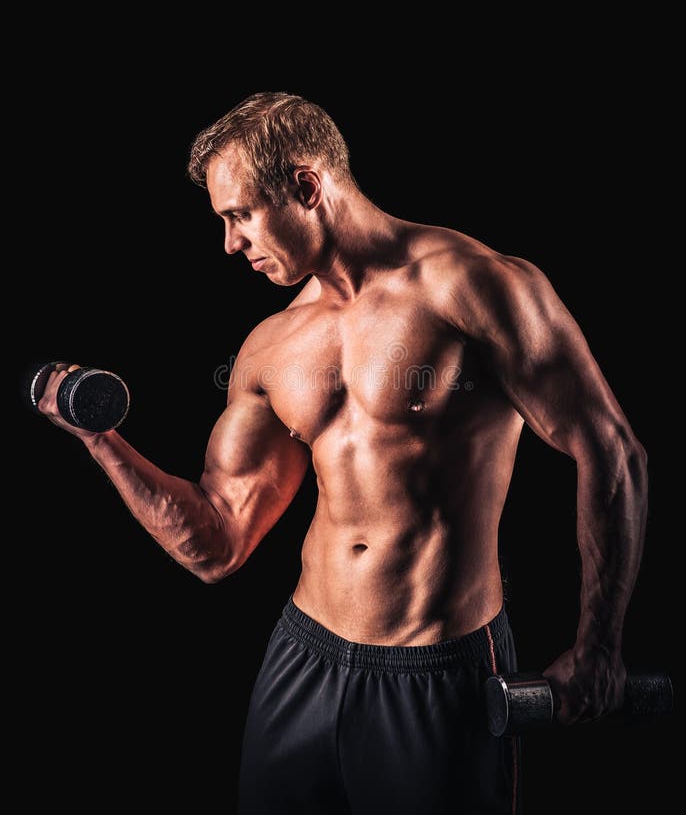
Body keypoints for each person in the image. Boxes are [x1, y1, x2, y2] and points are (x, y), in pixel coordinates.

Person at [36, 92, 648, 814]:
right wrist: (100, 442)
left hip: (437, 671)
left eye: (240, 215)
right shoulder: (270, 348)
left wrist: (600, 644)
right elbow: (217, 542)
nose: (231, 244)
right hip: (301, 662)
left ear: (305, 186)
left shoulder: (472, 286)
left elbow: (611, 450)